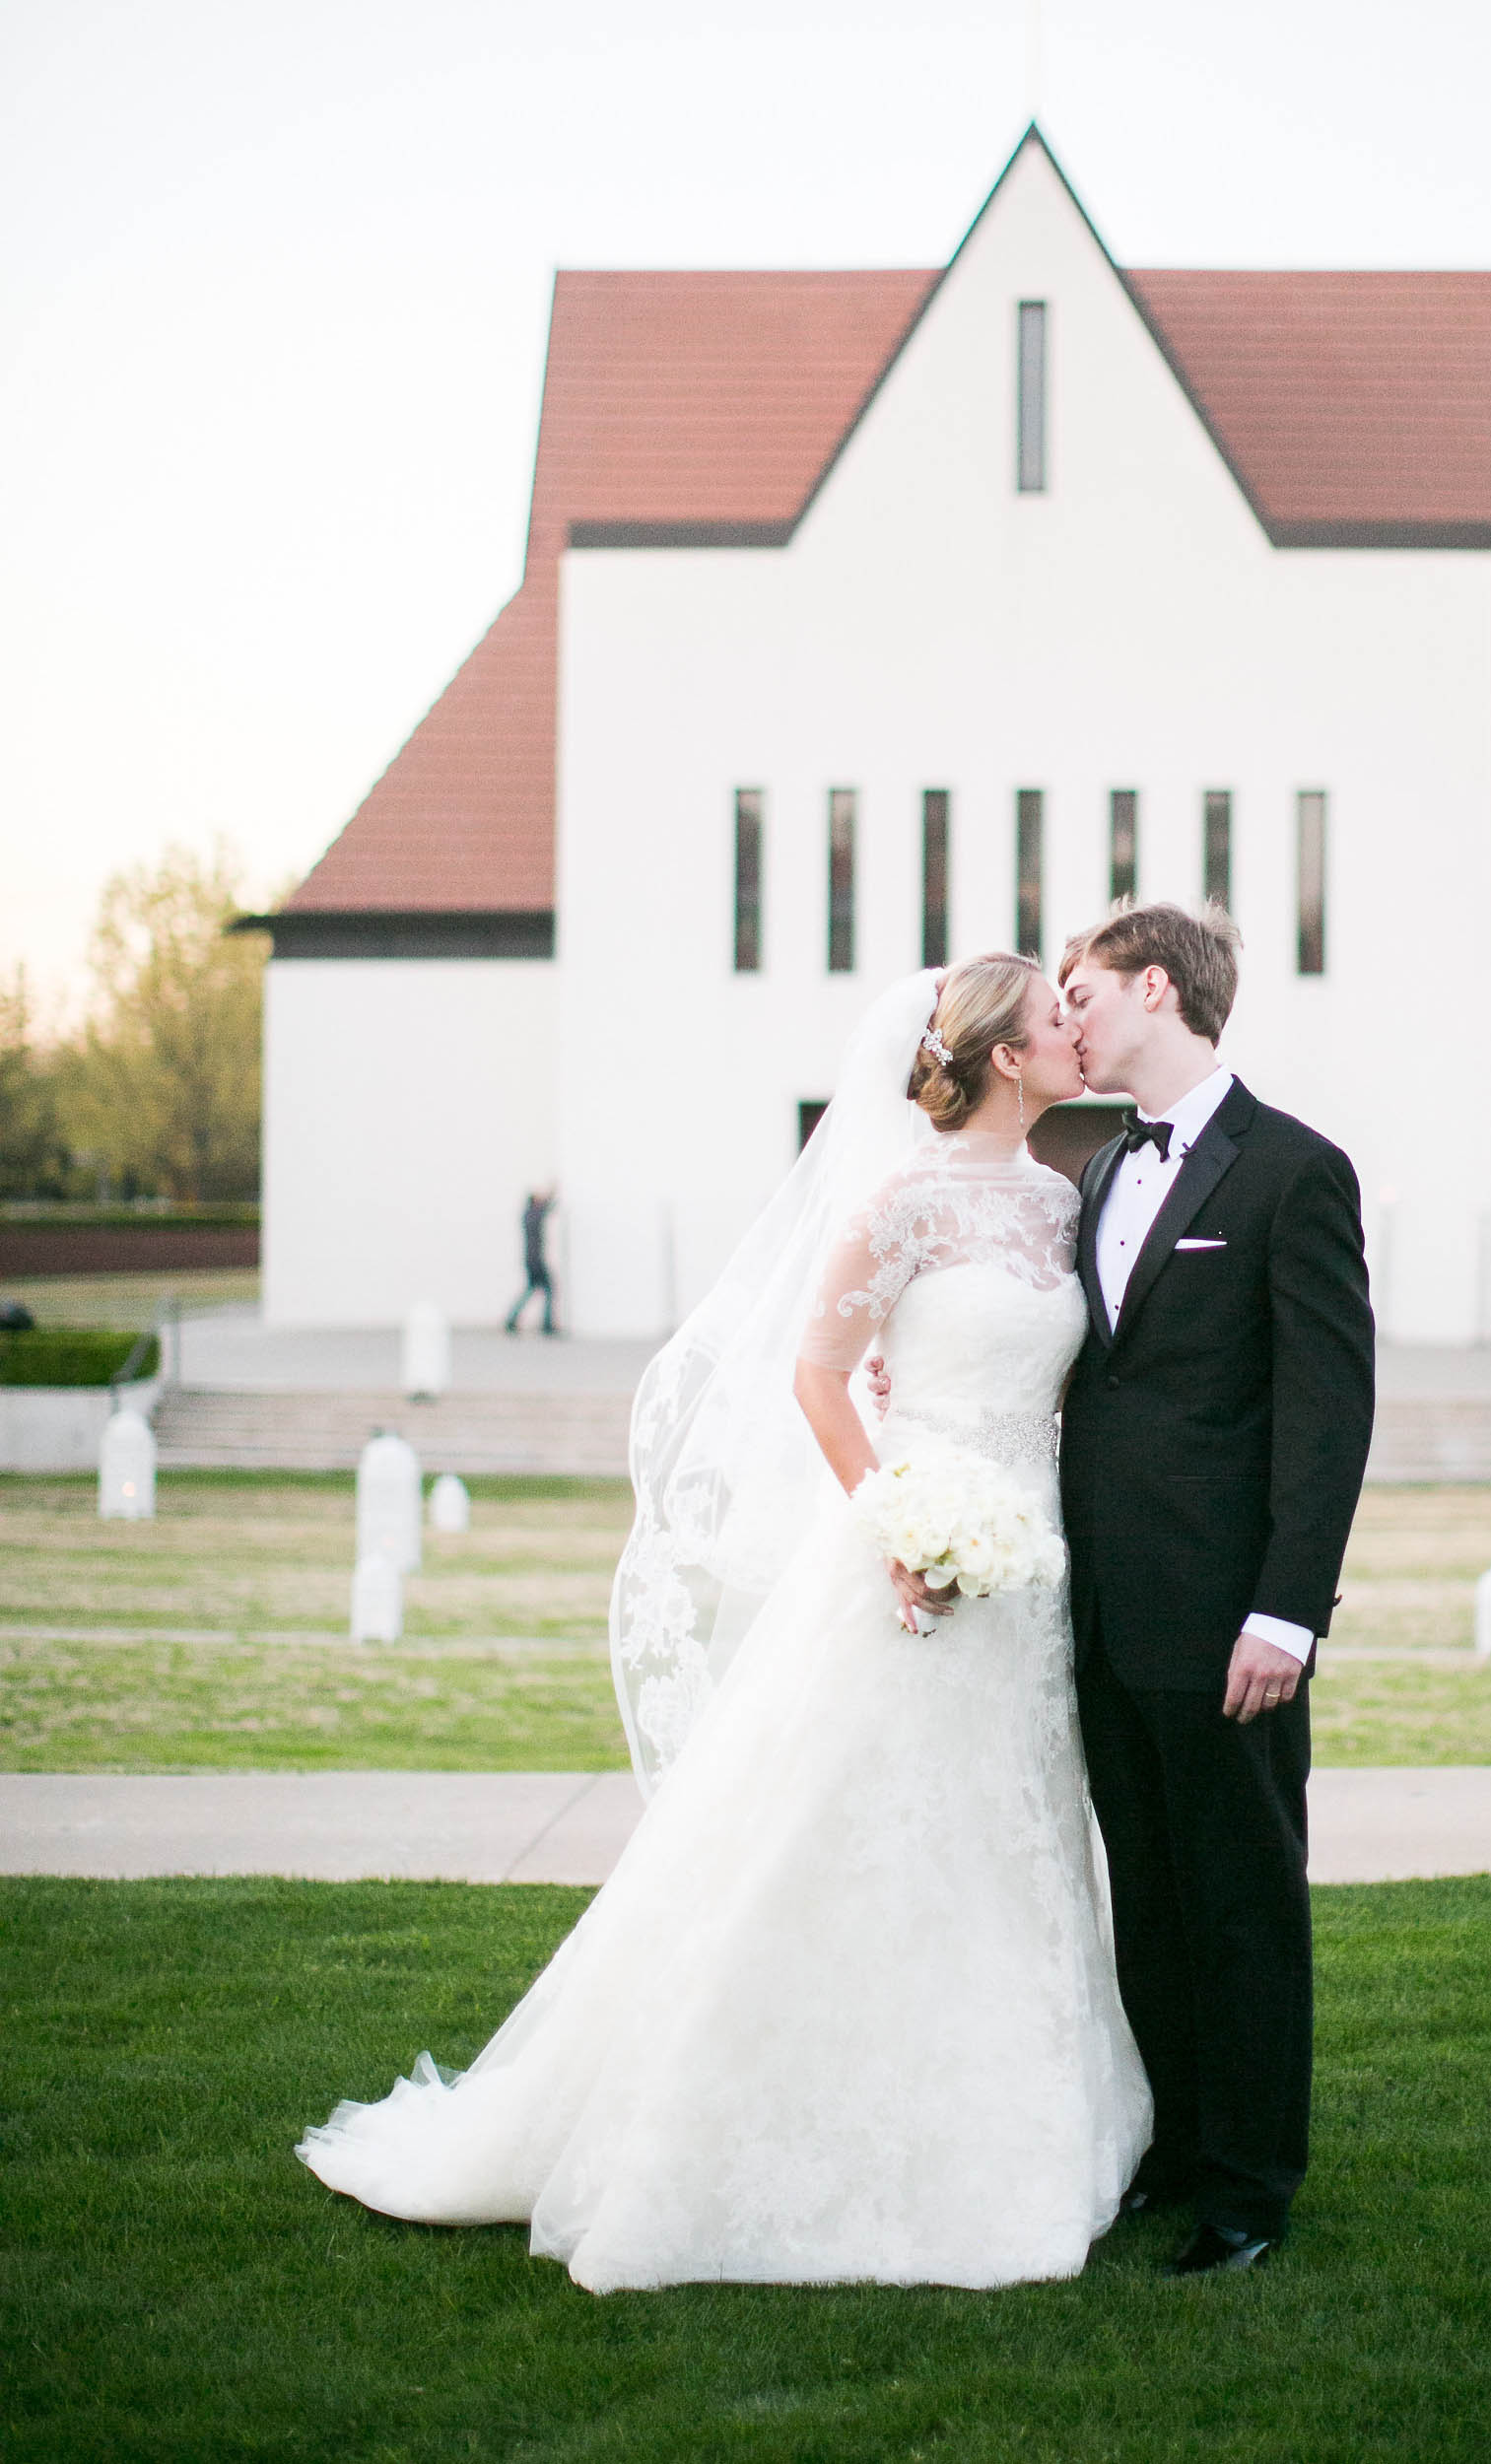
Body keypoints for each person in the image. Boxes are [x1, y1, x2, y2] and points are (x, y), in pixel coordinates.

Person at [297, 957, 1151, 2293]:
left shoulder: (1065, 1203)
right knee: (849, 1837)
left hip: (1030, 1581)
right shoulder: (900, 1204)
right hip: (913, 1563)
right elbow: (819, 1375)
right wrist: (899, 1524)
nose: (1077, 1035)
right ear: (999, 1054)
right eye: (1055, 1018)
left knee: (1015, 1847)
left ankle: (1023, 2128)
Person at [1056, 901, 1375, 2276]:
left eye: (1079, 994)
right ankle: (1179, 2146)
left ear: (1152, 989)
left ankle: (1250, 2189)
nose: (1065, 1019)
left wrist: (1285, 1611)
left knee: (1245, 1904)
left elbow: (1328, 1413)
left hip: (1230, 1620)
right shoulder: (1095, 1175)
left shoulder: (1296, 1172)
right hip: (1105, 1621)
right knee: (1153, 1896)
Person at [504, 1187, 557, 1335]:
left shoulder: (527, 1215)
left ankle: (511, 1319)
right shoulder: (534, 1215)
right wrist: (552, 1192)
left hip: (530, 1259)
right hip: (536, 1260)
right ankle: (547, 1325)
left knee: (531, 1290)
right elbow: (548, 1207)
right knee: (549, 1290)